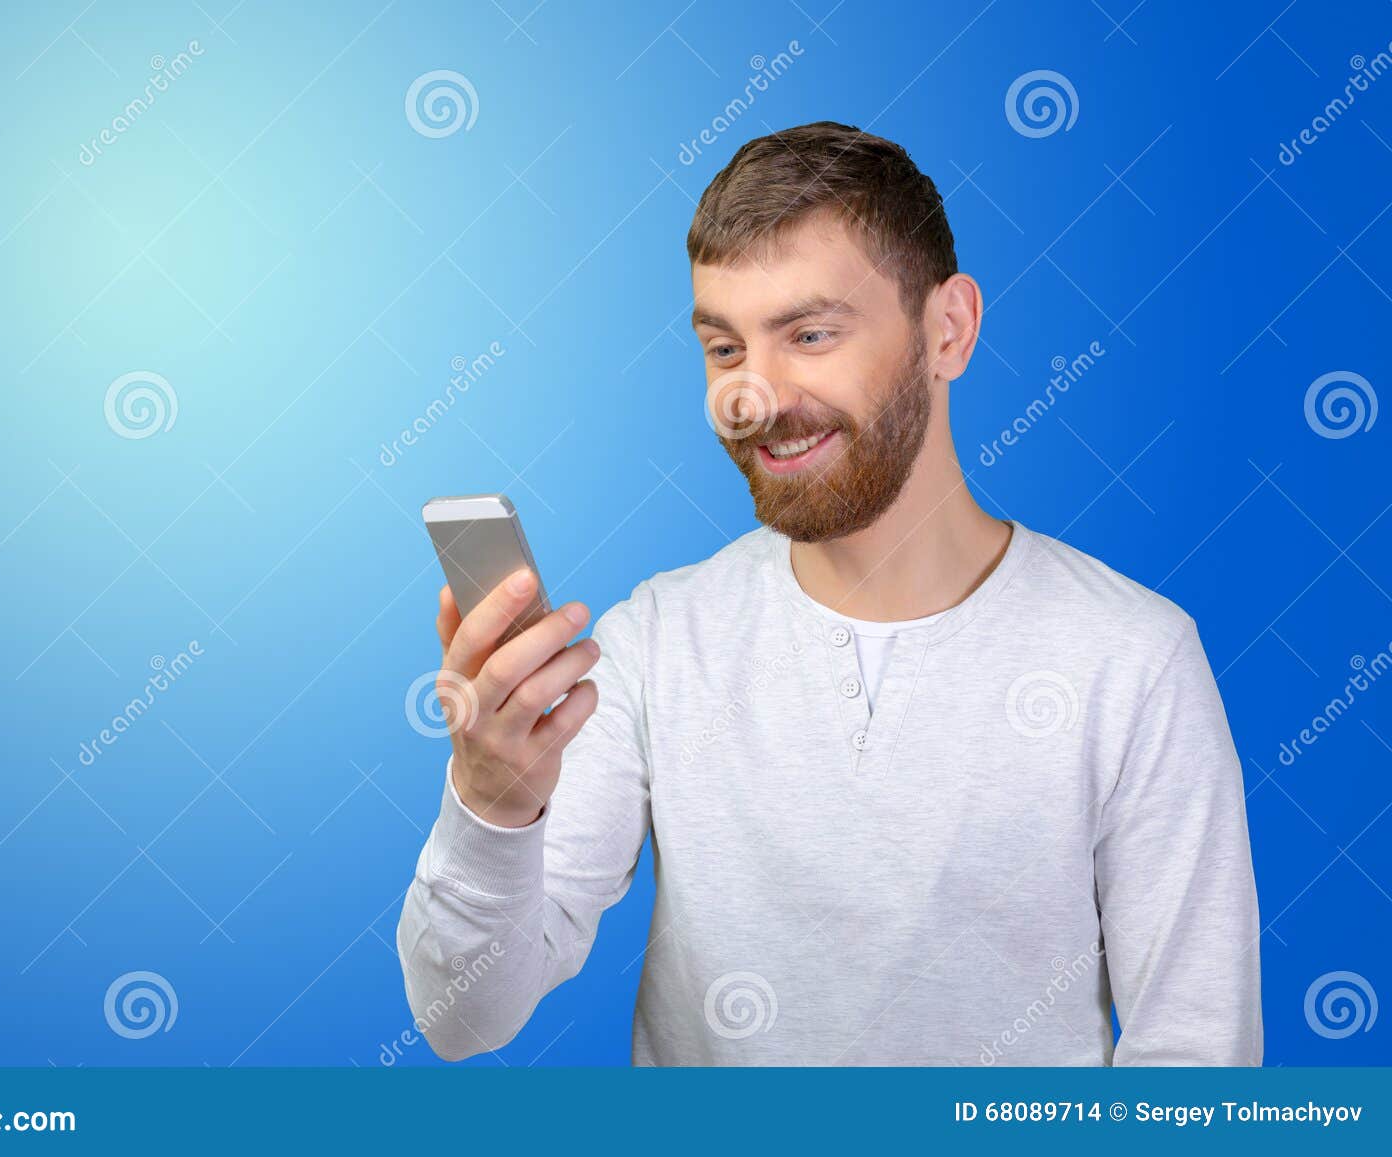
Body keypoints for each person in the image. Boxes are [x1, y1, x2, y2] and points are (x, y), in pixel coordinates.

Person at [396, 121, 1262, 1066]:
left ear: (949, 330)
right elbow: (463, 1018)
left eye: (809, 334)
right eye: (724, 348)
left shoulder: (1131, 659)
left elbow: (1197, 1062)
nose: (752, 398)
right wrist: (490, 802)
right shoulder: (655, 642)